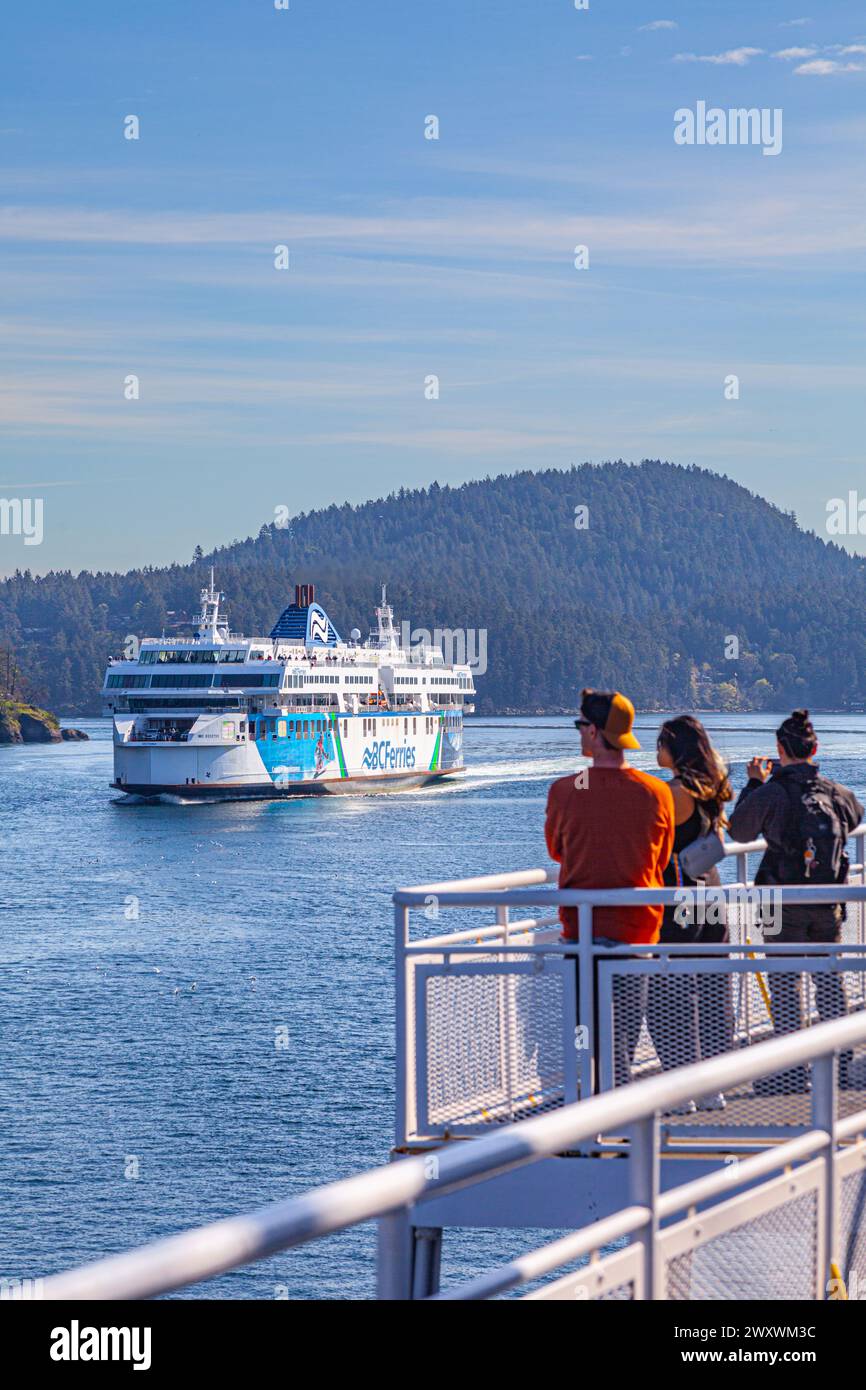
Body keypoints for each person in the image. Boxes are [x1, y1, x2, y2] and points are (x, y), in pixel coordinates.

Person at [545, 688, 675, 1086]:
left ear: (595, 732)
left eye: (580, 725)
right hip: (637, 933)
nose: (578, 732)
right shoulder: (656, 792)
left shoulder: (566, 790)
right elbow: (663, 859)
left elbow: (555, 851)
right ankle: (614, 1118)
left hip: (581, 930)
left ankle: (595, 1122)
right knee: (624, 1038)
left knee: (587, 1037)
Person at [728, 709, 863, 1090]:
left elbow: (738, 832)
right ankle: (840, 1063)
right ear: (815, 748)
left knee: (786, 985)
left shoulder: (773, 791)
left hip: (779, 902)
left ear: (779, 749)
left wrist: (754, 783)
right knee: (829, 981)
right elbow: (855, 817)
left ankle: (791, 1072)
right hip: (827, 901)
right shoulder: (835, 792)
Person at [647, 716, 734, 1111]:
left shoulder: (671, 793)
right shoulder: (712, 788)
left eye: (661, 743)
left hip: (677, 899)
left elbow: (649, 846)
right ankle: (712, 1084)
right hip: (710, 893)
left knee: (669, 991)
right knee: (713, 988)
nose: (655, 750)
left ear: (675, 748)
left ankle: (680, 1089)